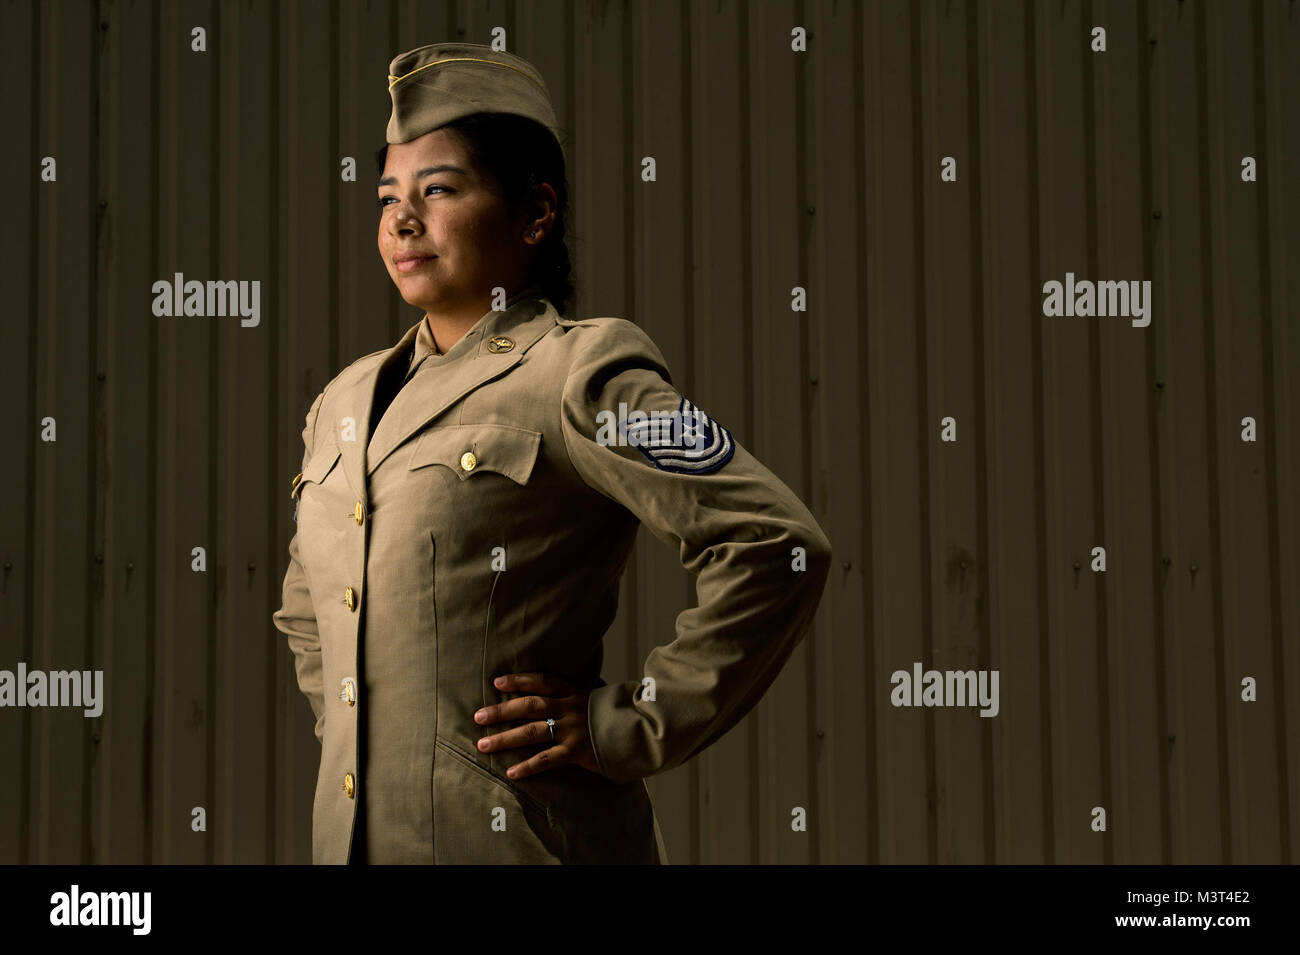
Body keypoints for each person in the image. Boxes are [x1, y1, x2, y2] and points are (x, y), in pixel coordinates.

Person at [273, 41, 832, 864]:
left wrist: (623, 725)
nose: (402, 219)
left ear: (536, 212)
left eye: (439, 189)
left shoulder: (586, 374)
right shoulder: (343, 406)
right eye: (388, 195)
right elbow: (304, 611)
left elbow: (775, 542)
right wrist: (381, 743)